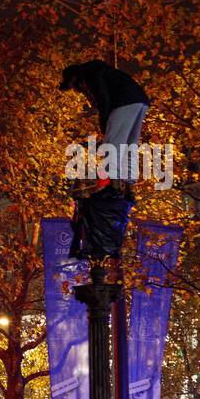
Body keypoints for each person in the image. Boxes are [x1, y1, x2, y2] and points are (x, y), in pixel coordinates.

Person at [59, 59, 149, 260]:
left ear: (75, 78)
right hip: (139, 101)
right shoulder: (100, 71)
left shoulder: (88, 73)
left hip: (123, 102)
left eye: (74, 87)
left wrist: (106, 123)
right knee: (129, 146)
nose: (77, 91)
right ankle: (129, 183)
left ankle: (113, 184)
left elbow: (102, 98)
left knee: (113, 145)